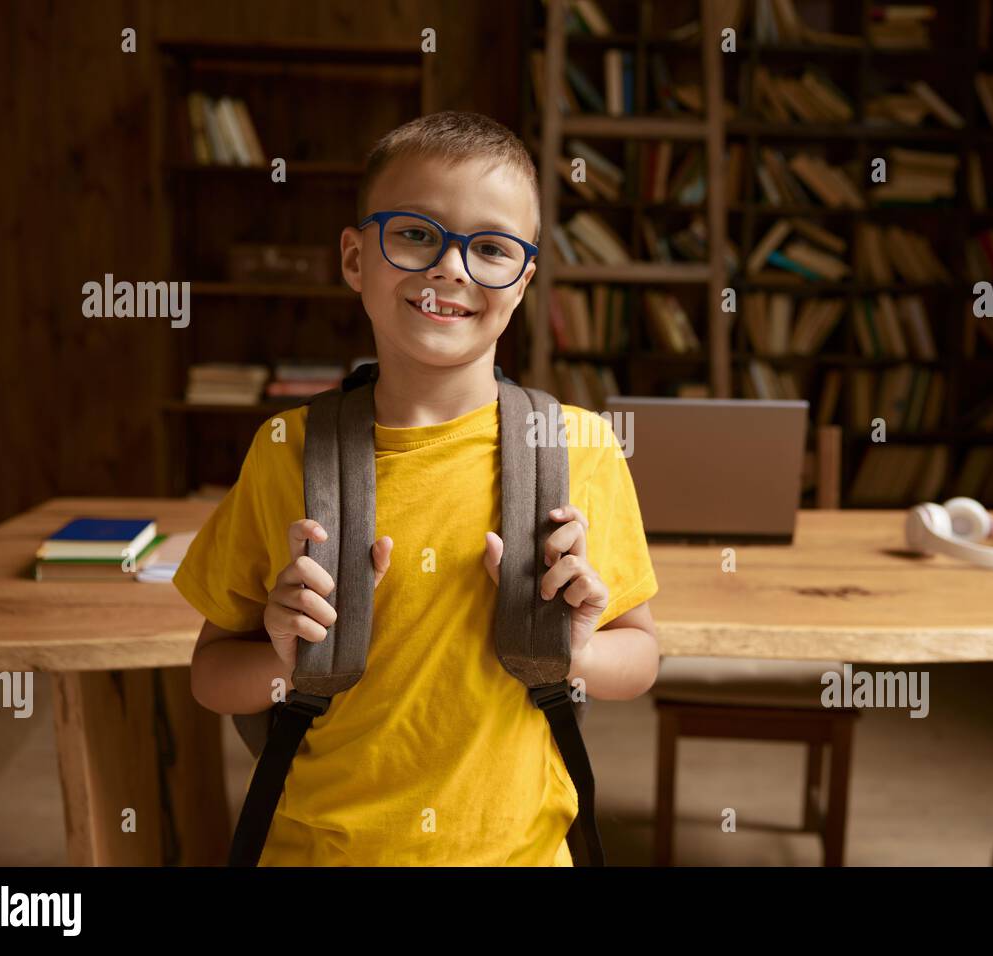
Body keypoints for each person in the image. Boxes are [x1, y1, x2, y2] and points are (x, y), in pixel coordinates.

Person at [176, 111, 660, 865]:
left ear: (525, 280)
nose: (452, 269)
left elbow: (641, 658)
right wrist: (279, 658)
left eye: (492, 248)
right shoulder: (284, 453)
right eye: (415, 234)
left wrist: (578, 653)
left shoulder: (580, 446)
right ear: (353, 257)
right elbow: (211, 675)